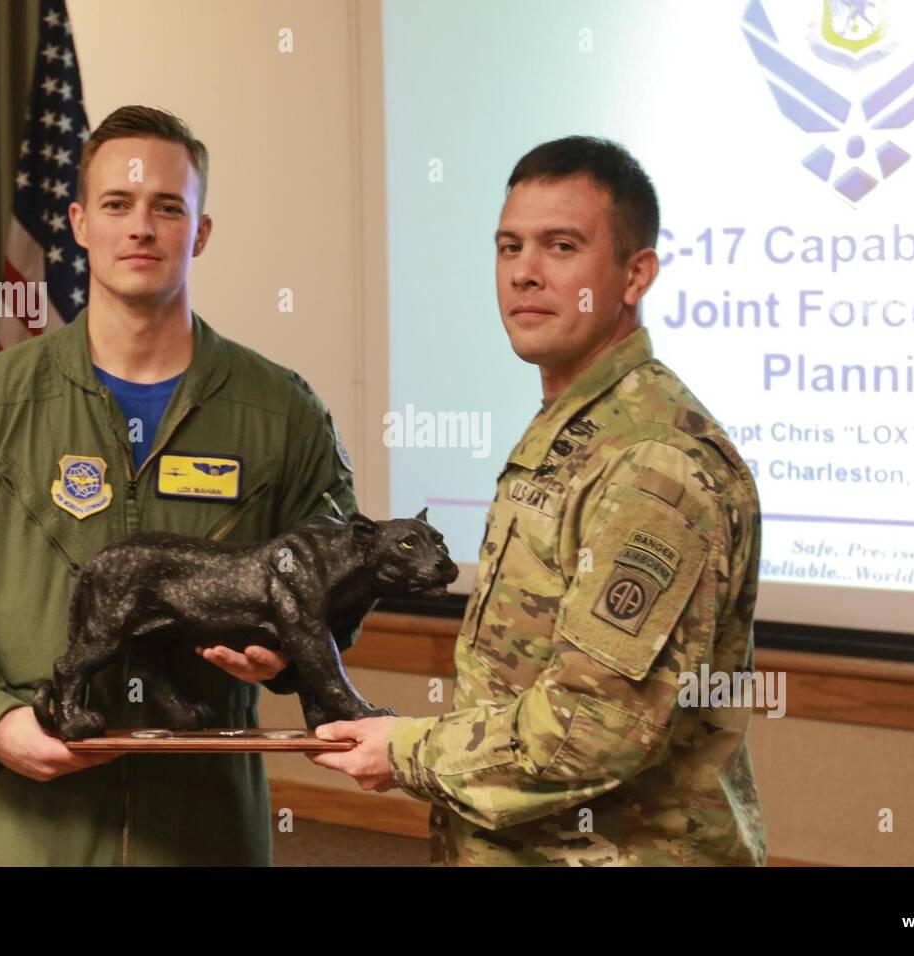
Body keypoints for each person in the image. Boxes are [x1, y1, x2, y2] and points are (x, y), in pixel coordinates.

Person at [0, 105, 356, 866]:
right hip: (39, 821)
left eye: (167, 206)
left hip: (207, 818)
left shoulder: (281, 411)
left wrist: (286, 654)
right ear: (80, 224)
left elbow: (336, 572)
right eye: (118, 205)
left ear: (202, 232)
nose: (142, 228)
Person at [311, 136, 766, 866]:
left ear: (634, 274)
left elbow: (591, 728)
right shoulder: (578, 427)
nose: (524, 273)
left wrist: (408, 751)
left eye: (561, 247)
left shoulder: (651, 461)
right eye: (508, 247)